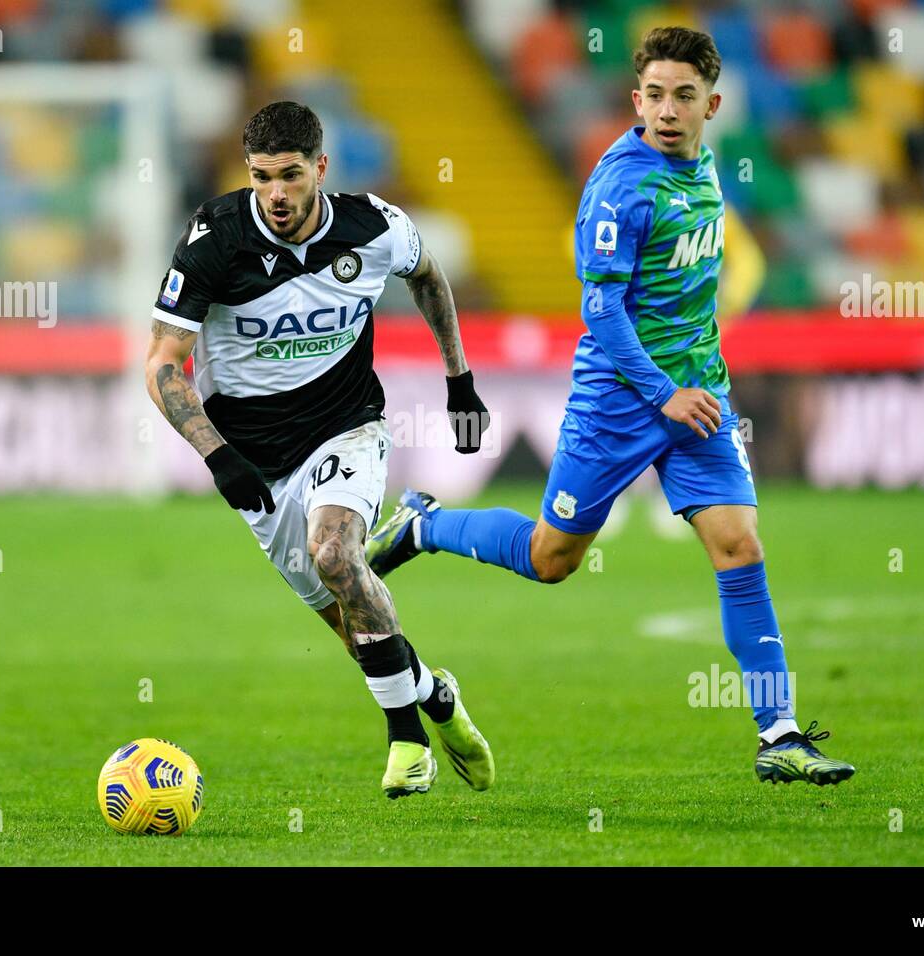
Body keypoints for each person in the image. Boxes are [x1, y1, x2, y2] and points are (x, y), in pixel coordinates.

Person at [366, 28, 854, 786]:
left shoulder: (705, 171)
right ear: (636, 100)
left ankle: (780, 734)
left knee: (741, 548)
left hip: (699, 400)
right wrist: (665, 391)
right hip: (621, 402)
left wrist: (696, 382)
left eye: (683, 96)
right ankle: (425, 524)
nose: (666, 109)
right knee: (550, 559)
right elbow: (603, 309)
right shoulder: (622, 184)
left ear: (711, 105)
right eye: (654, 94)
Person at [145, 101, 495, 798]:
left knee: (336, 554)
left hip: (348, 426)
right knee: (355, 625)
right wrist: (219, 456)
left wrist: (459, 380)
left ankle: (406, 743)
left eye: (291, 176)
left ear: (321, 170)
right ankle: (437, 696)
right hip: (257, 462)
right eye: (262, 177)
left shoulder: (374, 226)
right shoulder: (214, 241)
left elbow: (428, 277)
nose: (276, 194)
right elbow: (161, 367)